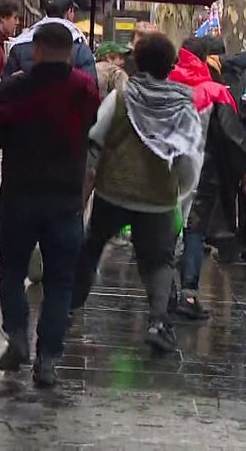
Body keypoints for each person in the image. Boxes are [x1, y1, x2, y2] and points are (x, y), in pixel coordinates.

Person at [0, 23, 99, 387]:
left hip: (20, 195)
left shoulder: (17, 86)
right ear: (70, 53)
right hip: (65, 198)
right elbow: (93, 124)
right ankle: (48, 359)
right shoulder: (84, 88)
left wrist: (12, 135)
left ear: (37, 50)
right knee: (60, 282)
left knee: (12, 271)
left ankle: (17, 334)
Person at [73, 32, 201, 352]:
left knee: (92, 246)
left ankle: (70, 304)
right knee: (158, 261)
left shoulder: (120, 97)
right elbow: (188, 157)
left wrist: (87, 181)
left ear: (137, 62)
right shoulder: (182, 104)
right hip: (158, 199)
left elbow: (95, 139)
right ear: (171, 65)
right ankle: (158, 322)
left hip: (113, 191)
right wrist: (181, 191)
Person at [171, 39, 246, 319]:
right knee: (194, 229)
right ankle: (188, 293)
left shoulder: (166, 84)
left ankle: (165, 292)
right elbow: (232, 137)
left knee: (166, 227)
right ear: (207, 58)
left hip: (163, 168)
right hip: (202, 171)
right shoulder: (215, 92)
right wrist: (244, 170)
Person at [4, 0, 96, 81]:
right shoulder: (80, 49)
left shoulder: (20, 44)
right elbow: (91, 85)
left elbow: (6, 83)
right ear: (69, 11)